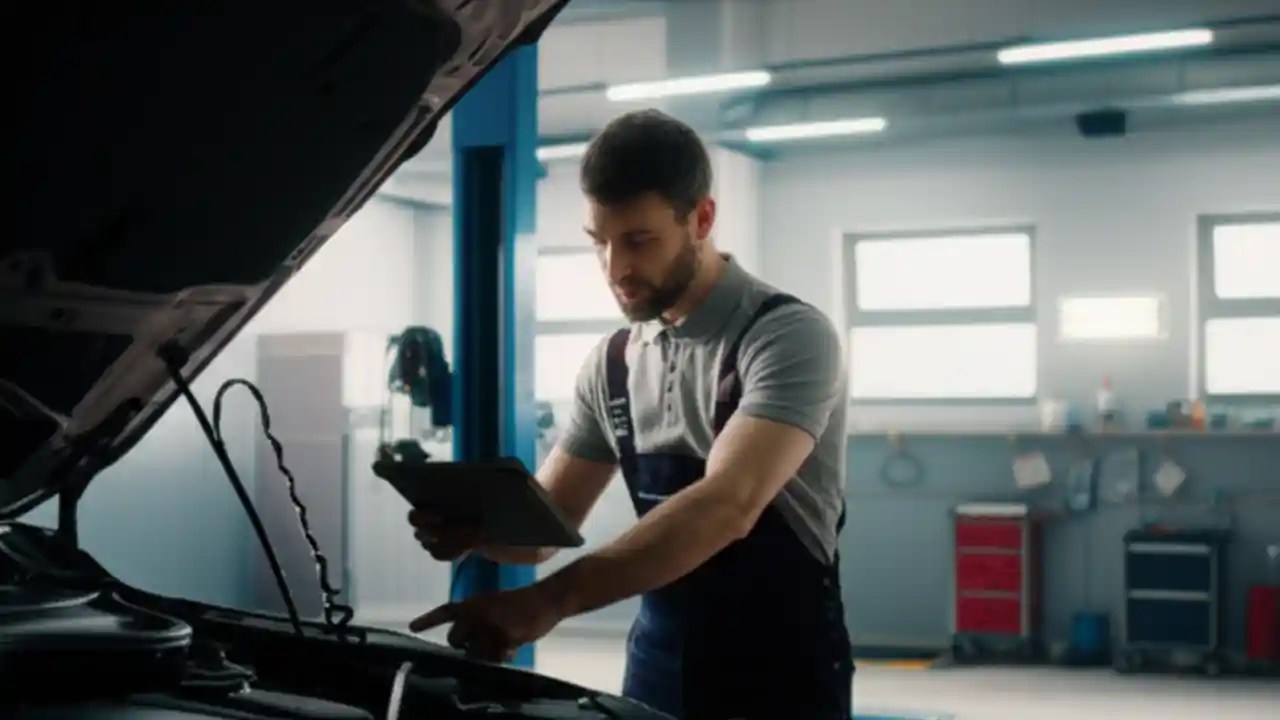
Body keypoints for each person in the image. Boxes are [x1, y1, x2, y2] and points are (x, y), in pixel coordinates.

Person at [407, 109, 852, 719]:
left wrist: (548, 603)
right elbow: (548, 527)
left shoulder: (785, 337)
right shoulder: (612, 363)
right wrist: (482, 533)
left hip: (781, 672)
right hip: (657, 664)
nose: (616, 269)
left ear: (701, 218)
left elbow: (728, 506)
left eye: (639, 241)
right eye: (601, 243)